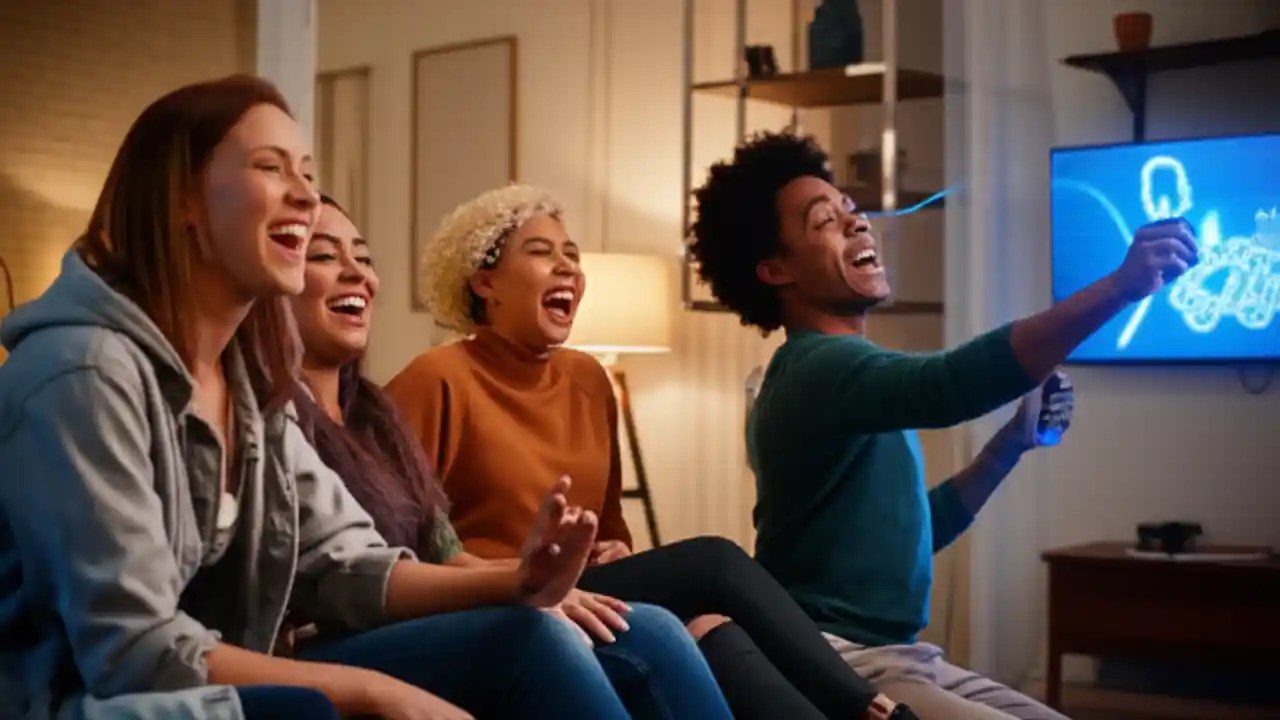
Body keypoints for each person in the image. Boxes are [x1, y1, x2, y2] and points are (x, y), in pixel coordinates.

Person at [0, 75, 709, 720]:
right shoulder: (83, 375)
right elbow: (136, 654)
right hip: (96, 703)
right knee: (525, 648)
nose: (307, 197)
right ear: (183, 197)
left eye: (307, 174)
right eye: (271, 168)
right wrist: (375, 691)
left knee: (634, 628)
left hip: (217, 680)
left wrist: (518, 579)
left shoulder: (250, 389)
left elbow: (349, 564)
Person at [686, 131, 1198, 720]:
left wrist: (1011, 445)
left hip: (898, 657)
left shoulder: (846, 378)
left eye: (851, 211)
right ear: (774, 269)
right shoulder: (816, 369)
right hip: (832, 661)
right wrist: (1119, 287)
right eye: (824, 221)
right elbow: (950, 383)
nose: (856, 224)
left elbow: (912, 532)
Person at [384, 184, 916, 720]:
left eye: (572, 255)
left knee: (716, 629)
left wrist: (616, 549)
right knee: (713, 563)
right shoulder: (437, 380)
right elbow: (401, 543)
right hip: (491, 594)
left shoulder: (589, 379)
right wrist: (512, 581)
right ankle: (873, 708)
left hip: (579, 586)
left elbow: (610, 522)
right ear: (485, 282)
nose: (567, 268)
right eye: (541, 253)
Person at [289, 194, 734, 719]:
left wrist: (532, 580)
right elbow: (347, 581)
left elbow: (442, 547)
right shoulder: (280, 417)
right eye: (323, 256)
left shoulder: (375, 416)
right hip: (338, 638)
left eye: (364, 259)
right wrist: (515, 586)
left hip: (440, 606)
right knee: (539, 632)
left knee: (655, 627)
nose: (356, 274)